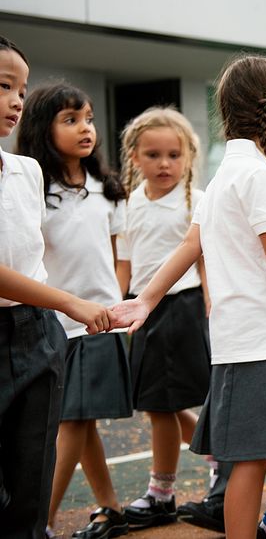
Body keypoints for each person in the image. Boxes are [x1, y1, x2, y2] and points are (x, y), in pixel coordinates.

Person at [111, 54, 266, 539]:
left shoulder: (231, 173)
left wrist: (147, 298)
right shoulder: (254, 174)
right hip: (256, 340)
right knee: (252, 460)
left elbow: (189, 244)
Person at [0, 36, 112, 538]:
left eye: (21, 89)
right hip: (57, 316)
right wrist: (72, 303)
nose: (16, 101)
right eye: (4, 87)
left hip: (40, 332)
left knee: (32, 474)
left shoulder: (24, 172)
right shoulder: (39, 178)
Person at [16, 82, 132, 539]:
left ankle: (42, 521)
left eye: (87, 118)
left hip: (100, 324)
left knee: (76, 420)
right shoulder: (35, 189)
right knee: (77, 421)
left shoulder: (107, 187)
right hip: (56, 322)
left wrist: (115, 302)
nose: (86, 128)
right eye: (70, 120)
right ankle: (109, 507)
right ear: (44, 129)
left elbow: (119, 254)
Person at [115, 107, 212, 528]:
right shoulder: (127, 202)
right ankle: (166, 490)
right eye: (153, 155)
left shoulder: (198, 201)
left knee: (186, 400)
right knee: (157, 406)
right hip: (143, 311)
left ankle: (207, 467)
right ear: (135, 156)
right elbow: (124, 262)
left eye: (174, 155)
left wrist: (213, 306)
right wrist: (113, 306)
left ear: (188, 156)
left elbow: (206, 259)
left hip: (186, 308)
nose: (164, 163)